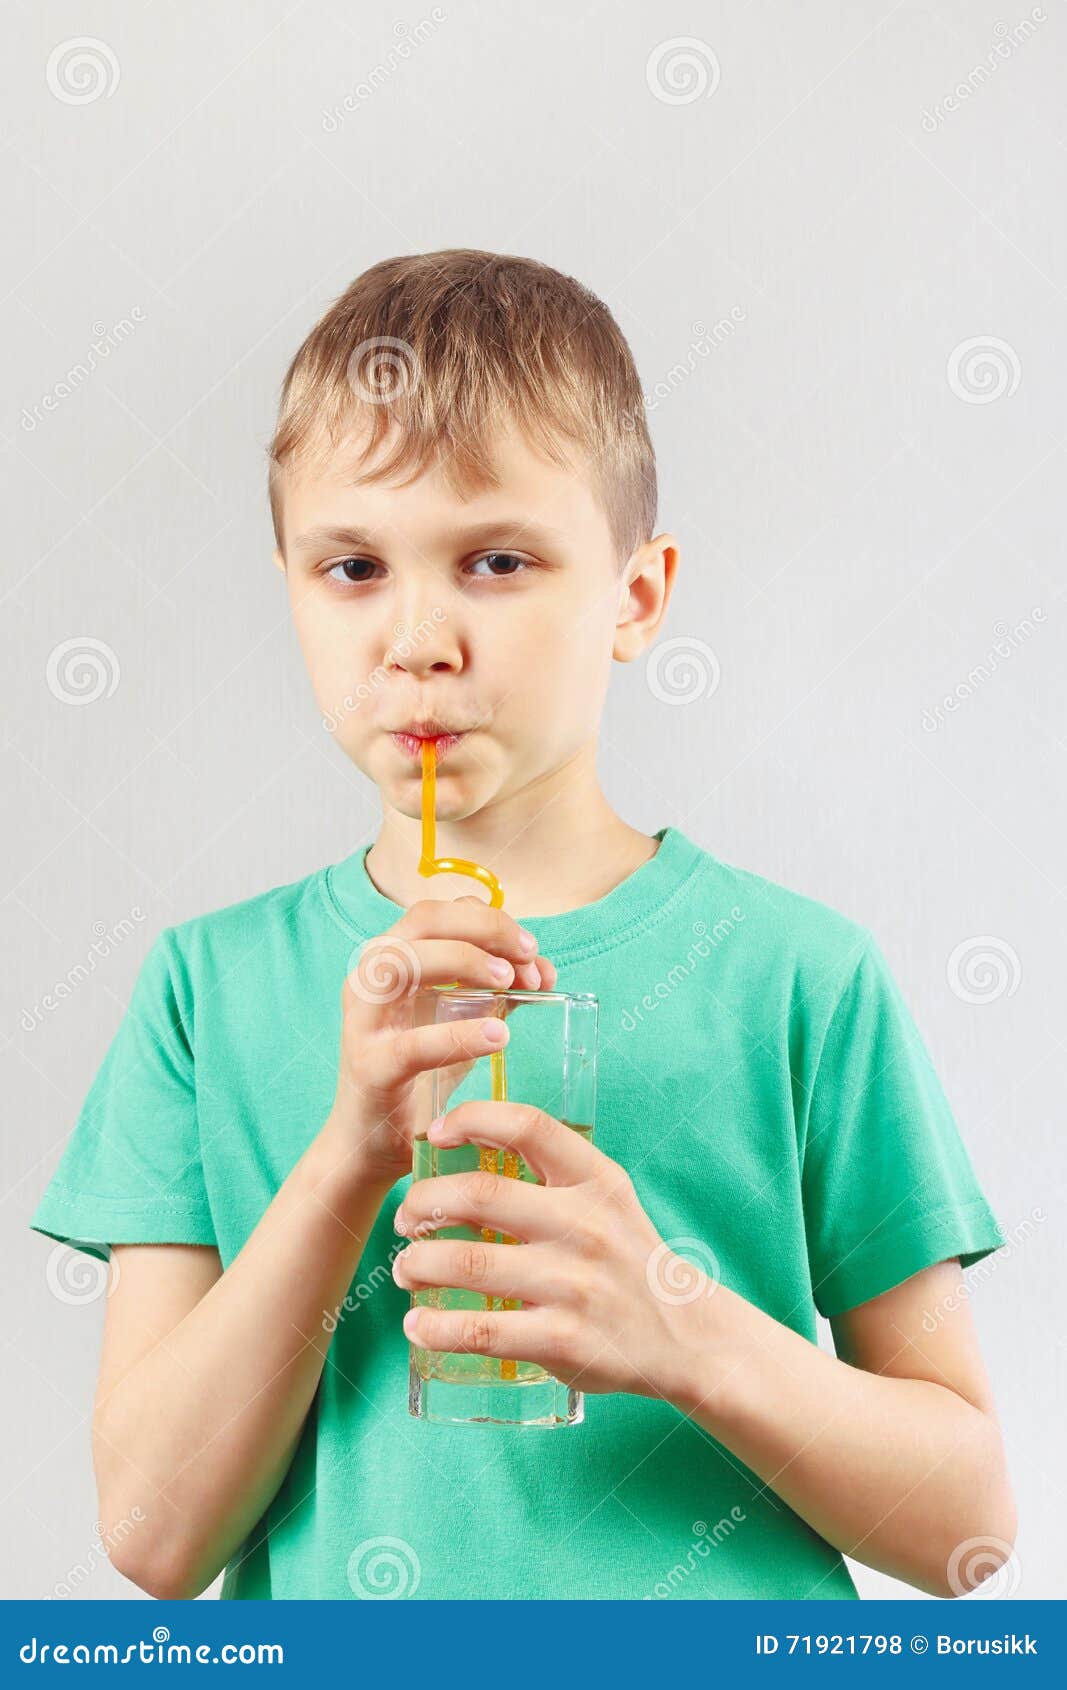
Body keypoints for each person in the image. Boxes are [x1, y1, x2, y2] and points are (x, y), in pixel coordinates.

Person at [31, 250, 1015, 1601]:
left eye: (497, 560)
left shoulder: (802, 977)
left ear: (637, 596)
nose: (418, 639)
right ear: (289, 586)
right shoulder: (208, 987)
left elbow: (966, 1524)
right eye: (352, 566)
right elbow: (154, 1536)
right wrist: (349, 1155)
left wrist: (678, 1323)